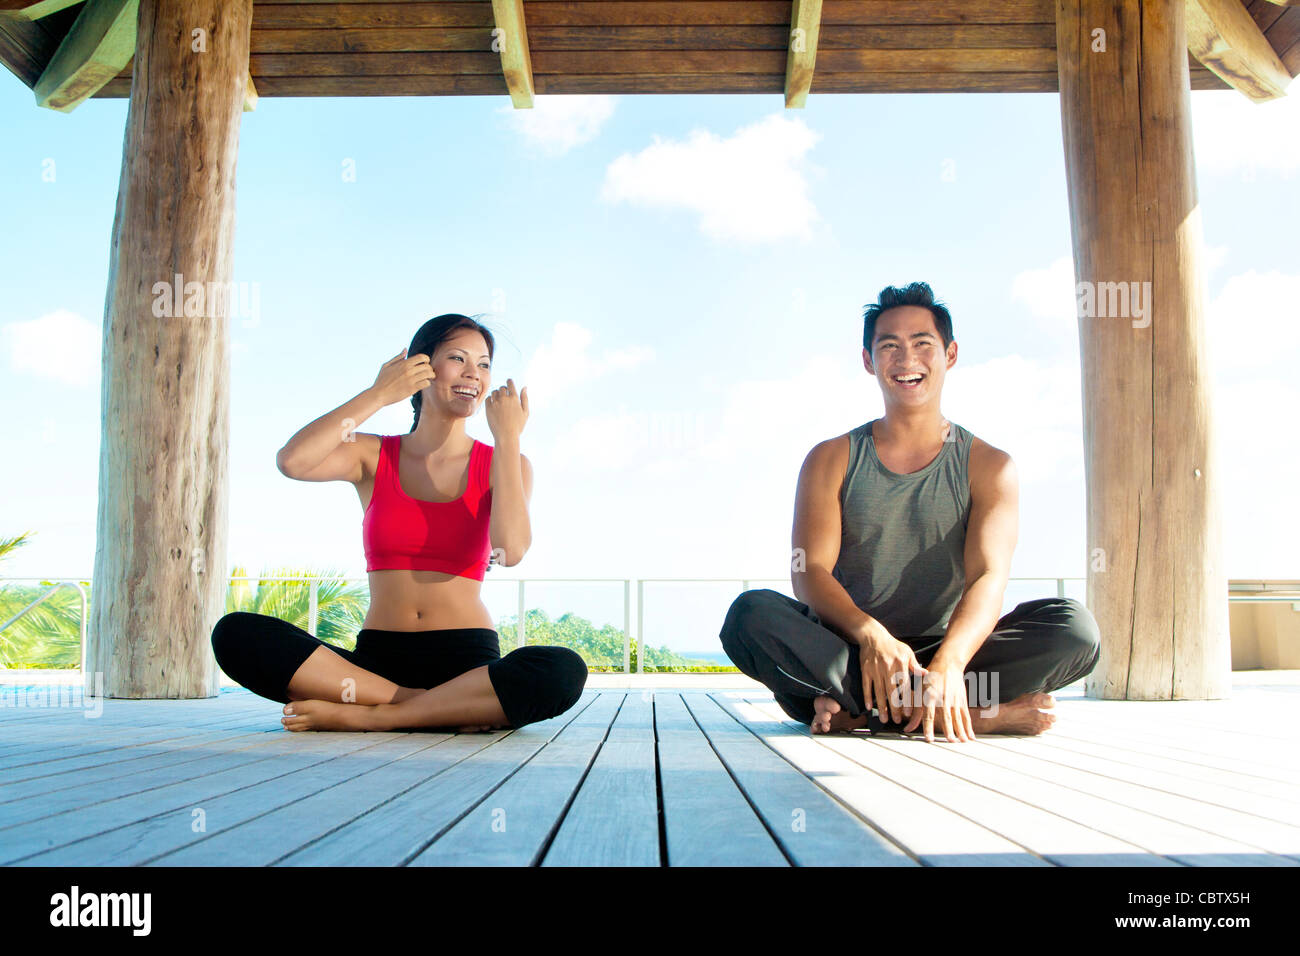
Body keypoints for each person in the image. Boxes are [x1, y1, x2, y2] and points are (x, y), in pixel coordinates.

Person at [719, 282, 1100, 743]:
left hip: (948, 652)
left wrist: (950, 664)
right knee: (749, 616)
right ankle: (977, 717)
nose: (907, 359)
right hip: (847, 650)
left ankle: (861, 713)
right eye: (890, 346)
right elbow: (811, 570)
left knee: (1075, 630)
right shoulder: (831, 457)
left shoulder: (990, 466)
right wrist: (872, 637)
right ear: (868, 361)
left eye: (923, 344)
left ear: (950, 354)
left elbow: (988, 577)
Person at [210, 313, 587, 732]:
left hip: (467, 663)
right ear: (420, 368)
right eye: (458, 359)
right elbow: (293, 461)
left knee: (562, 669)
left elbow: (510, 551)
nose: (474, 374)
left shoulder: (507, 462)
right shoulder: (373, 455)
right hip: (376, 669)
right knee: (235, 635)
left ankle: (379, 718)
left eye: (483, 364)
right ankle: (436, 709)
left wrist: (509, 438)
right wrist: (377, 394)